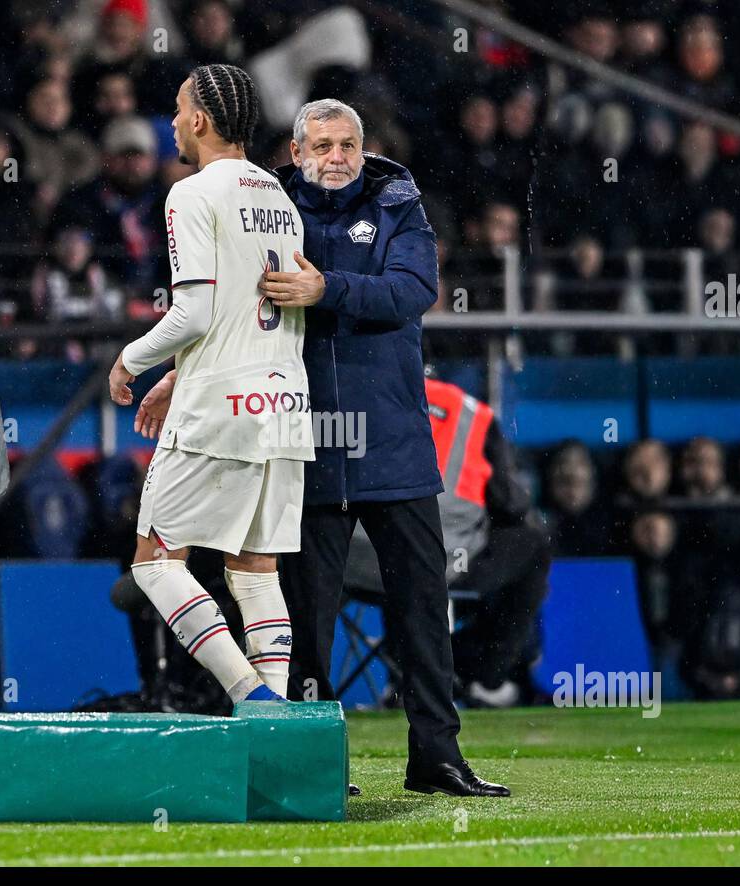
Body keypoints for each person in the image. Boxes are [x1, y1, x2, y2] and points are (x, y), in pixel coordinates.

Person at [138, 99, 508, 797]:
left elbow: (414, 290)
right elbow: (228, 312)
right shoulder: (270, 205)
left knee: (424, 610)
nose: (335, 158)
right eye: (321, 146)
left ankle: (436, 757)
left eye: (346, 145)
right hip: (299, 441)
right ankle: (315, 762)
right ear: (297, 151)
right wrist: (177, 375)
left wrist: (325, 288)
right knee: (306, 620)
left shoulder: (400, 203)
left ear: (362, 149)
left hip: (393, 443)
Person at [108, 64, 311, 708]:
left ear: (199, 120)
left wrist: (131, 360)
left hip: (222, 407)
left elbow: (195, 310)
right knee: (255, 568)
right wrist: (177, 372)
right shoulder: (282, 198)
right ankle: (277, 724)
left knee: (155, 562)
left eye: (176, 110)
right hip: (283, 401)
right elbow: (246, 315)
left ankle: (250, 694)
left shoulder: (190, 193)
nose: (170, 123)